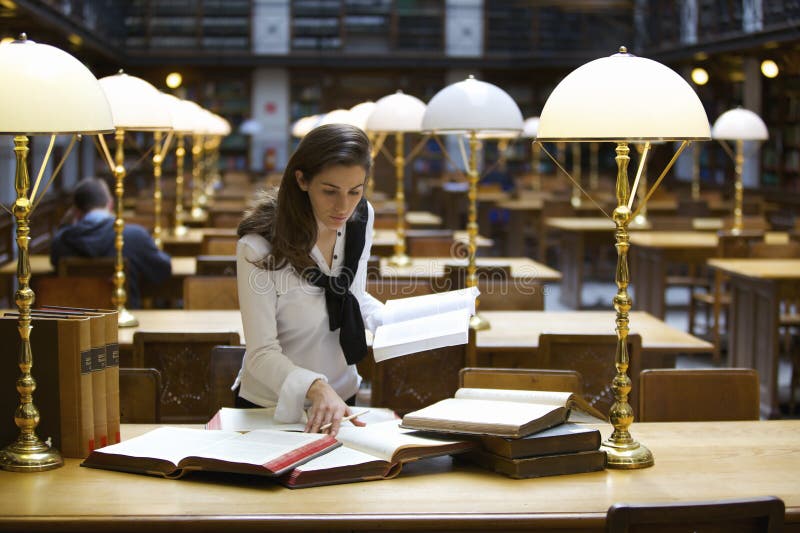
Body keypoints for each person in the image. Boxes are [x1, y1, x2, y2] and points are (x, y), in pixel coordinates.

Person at [235, 123, 384, 437]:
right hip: (269, 406)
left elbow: (352, 295)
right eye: (330, 191)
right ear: (302, 180)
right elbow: (261, 353)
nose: (344, 207)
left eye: (355, 191)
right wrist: (315, 387)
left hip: (341, 399)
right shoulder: (258, 247)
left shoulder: (361, 217)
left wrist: (396, 322)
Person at [50, 177, 172, 309]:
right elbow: (163, 270)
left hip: (77, 318)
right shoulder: (134, 236)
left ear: (76, 212)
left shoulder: (61, 242)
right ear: (111, 204)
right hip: (122, 318)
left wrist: (65, 226)